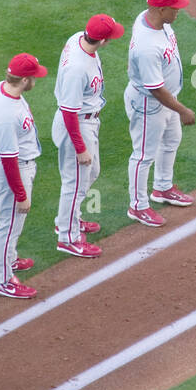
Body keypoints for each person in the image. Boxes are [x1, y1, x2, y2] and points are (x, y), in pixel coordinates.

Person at [125, 0, 196, 228]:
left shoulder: (154, 21)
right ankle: (138, 205)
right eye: (174, 9)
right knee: (144, 155)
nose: (178, 12)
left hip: (167, 100)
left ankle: (163, 187)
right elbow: (155, 88)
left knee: (171, 141)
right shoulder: (147, 46)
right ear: (161, 9)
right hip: (149, 104)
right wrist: (183, 110)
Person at [54, 14, 125, 258]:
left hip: (87, 121)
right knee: (74, 183)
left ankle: (67, 218)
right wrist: (80, 147)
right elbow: (68, 112)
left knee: (91, 173)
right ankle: (67, 237)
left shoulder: (77, 39)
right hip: (76, 125)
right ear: (102, 40)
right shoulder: (77, 68)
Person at [0, 54, 49, 299]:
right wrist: (21, 194)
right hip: (12, 168)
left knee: (10, 223)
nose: (36, 80)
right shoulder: (7, 115)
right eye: (33, 77)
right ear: (23, 80)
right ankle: (1, 280)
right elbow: (9, 160)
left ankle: (10, 259)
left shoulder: (1, 89)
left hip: (12, 163)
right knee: (8, 223)